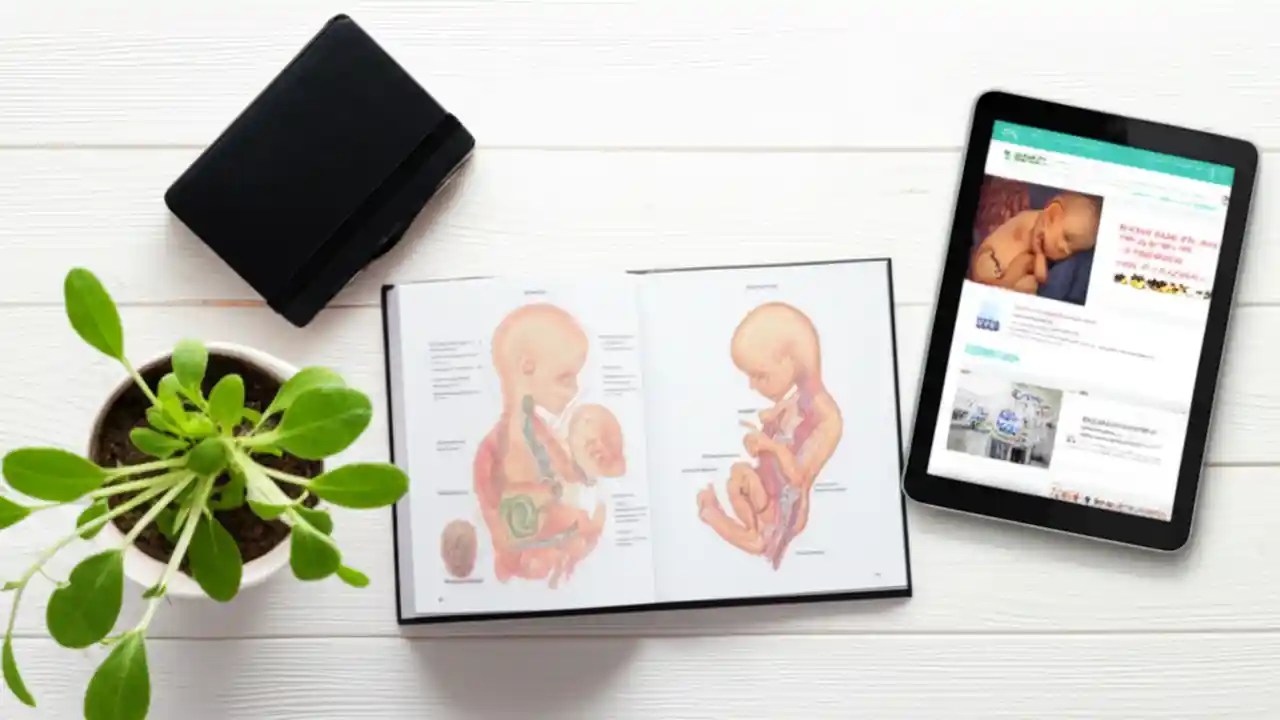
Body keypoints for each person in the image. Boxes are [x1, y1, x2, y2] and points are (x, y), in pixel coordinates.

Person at [696, 302, 843, 569]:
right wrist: (769, 419)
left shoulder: (826, 416)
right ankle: (749, 524)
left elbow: (798, 477)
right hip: (767, 485)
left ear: (791, 361)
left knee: (760, 544)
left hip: (787, 504)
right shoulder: (800, 398)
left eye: (760, 376)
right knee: (738, 477)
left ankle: (719, 519)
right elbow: (784, 417)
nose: (753, 385)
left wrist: (770, 446)